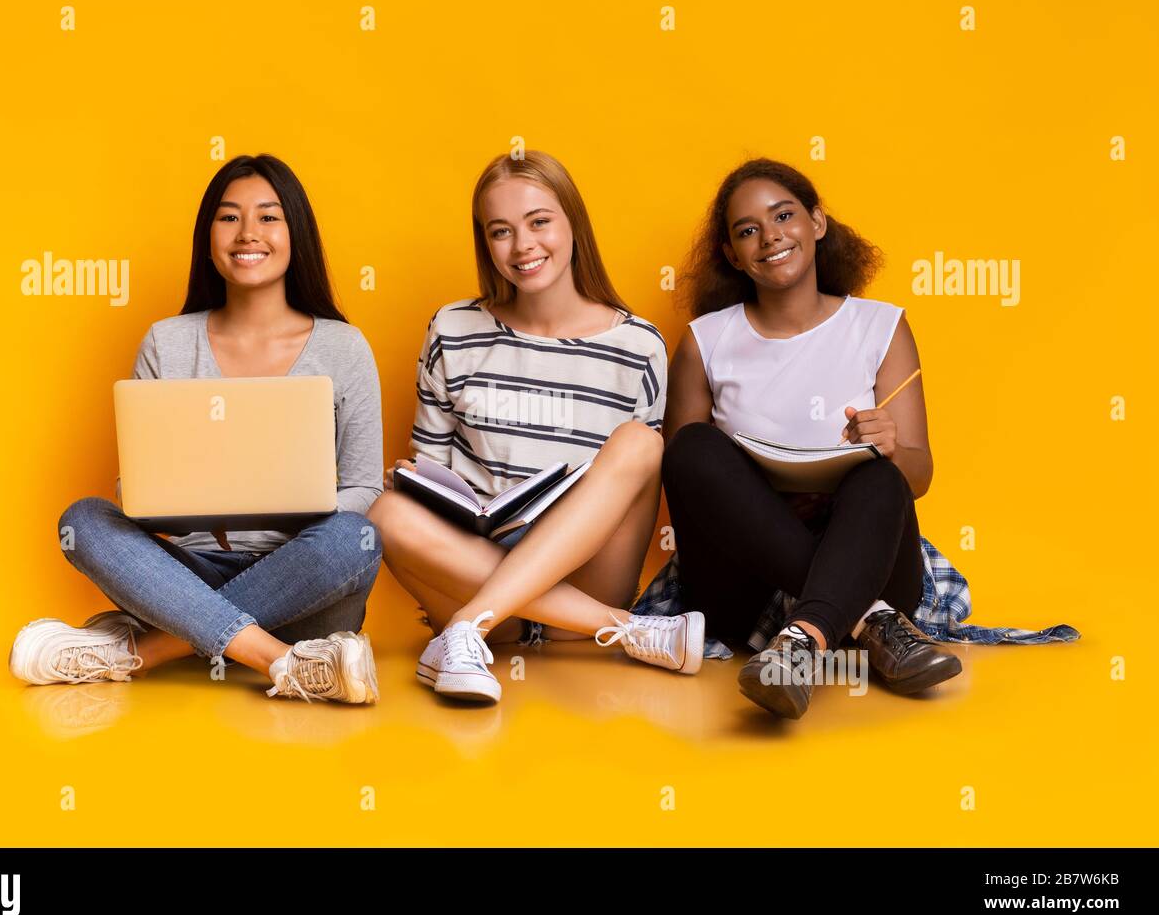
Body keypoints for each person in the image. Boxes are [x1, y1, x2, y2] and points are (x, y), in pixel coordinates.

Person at [9, 154, 384, 703]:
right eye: (229, 217)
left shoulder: (343, 347)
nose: (247, 233)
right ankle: (281, 661)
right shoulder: (167, 342)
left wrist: (296, 509)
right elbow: (131, 488)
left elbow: (366, 487)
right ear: (208, 237)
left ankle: (140, 652)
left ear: (295, 232)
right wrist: (149, 499)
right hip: (189, 571)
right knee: (84, 519)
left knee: (357, 537)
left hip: (305, 582)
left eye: (268, 217)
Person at [367, 150, 703, 705]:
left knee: (642, 444)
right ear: (485, 243)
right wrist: (418, 482)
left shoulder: (638, 346)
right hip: (477, 575)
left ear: (573, 223)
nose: (523, 246)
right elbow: (430, 473)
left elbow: (633, 487)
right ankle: (627, 629)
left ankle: (467, 627)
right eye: (501, 231)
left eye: (539, 222)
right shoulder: (453, 329)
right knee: (385, 513)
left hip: (586, 575)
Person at [661, 158, 962, 719]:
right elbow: (686, 481)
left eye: (784, 216)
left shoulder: (881, 326)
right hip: (745, 584)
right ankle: (868, 621)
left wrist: (892, 447)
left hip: (862, 555)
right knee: (691, 447)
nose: (770, 236)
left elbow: (919, 479)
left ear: (818, 223)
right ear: (732, 254)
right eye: (747, 230)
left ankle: (802, 642)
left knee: (879, 474)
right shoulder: (706, 340)